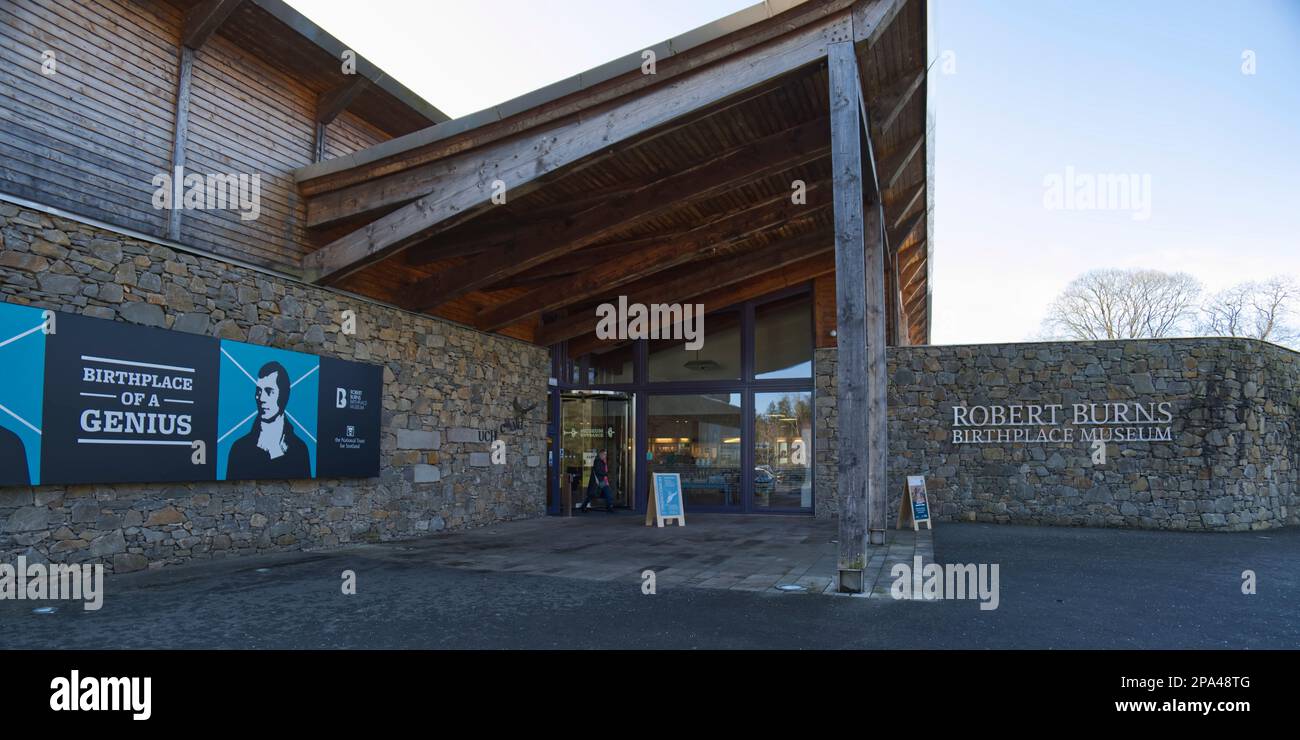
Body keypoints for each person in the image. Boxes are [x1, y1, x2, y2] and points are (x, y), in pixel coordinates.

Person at [227, 361, 311, 480]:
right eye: (258, 391)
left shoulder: (299, 449)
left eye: (269, 391)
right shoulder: (239, 449)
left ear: (284, 395)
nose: (261, 398)